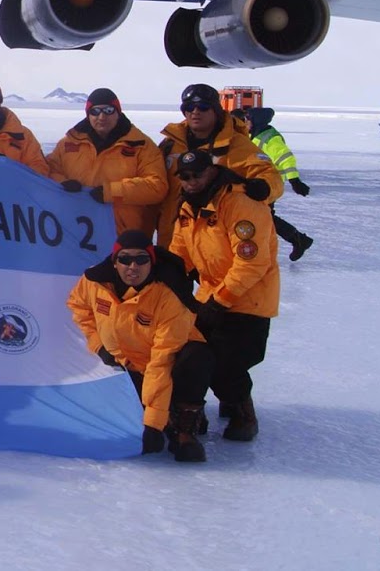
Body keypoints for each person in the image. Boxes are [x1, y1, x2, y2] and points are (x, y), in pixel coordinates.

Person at [66, 230, 213, 463]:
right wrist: (98, 344)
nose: (132, 266)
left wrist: (152, 425)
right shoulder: (94, 283)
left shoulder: (167, 297)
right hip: (129, 365)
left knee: (197, 358)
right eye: (124, 259)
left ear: (151, 262)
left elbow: (161, 361)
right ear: (115, 262)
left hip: (169, 362)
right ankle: (168, 415)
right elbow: (78, 306)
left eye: (141, 259)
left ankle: (185, 425)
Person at [166, 150, 279, 443]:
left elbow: (252, 263)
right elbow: (179, 256)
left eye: (197, 175)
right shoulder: (189, 208)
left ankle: (243, 414)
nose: (191, 182)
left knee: (227, 363)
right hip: (210, 295)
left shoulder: (241, 204)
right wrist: (165, 283)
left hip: (248, 300)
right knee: (189, 356)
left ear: (213, 172)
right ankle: (190, 412)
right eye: (185, 177)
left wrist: (220, 301)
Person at [155, 84, 282, 244]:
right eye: (189, 107)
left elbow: (271, 175)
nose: (195, 112)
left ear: (215, 110)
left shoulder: (236, 145)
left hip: (217, 243)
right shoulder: (170, 144)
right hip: (172, 239)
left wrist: (264, 187)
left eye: (203, 107)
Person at [47, 88, 169, 235]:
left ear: (118, 112)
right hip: (74, 231)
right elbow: (48, 171)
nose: (102, 116)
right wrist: (62, 183)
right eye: (95, 111)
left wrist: (112, 192)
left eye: (108, 110)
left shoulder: (141, 145)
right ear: (88, 115)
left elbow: (157, 187)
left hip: (122, 236)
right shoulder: (68, 143)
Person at [247, 107, 315, 261]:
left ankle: (295, 240)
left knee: (263, 217)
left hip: (269, 184)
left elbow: (286, 158)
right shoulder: (256, 135)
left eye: (248, 119)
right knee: (264, 216)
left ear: (256, 121)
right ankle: (298, 239)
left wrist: (294, 180)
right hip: (258, 183)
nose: (246, 122)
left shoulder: (270, 139)